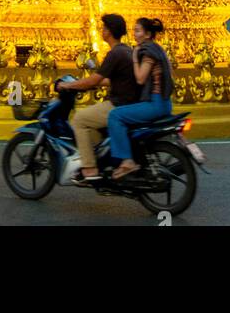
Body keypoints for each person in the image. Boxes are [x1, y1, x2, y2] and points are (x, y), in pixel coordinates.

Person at [58, 13, 140, 184]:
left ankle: (89, 169)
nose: (102, 31)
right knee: (90, 126)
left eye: (104, 28)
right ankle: (102, 159)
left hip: (119, 104)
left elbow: (94, 79)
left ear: (108, 32)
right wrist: (91, 83)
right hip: (129, 102)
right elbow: (111, 80)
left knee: (79, 119)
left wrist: (70, 85)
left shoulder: (115, 53)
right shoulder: (126, 50)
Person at [107, 17, 174, 181]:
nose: (134, 35)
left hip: (155, 104)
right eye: (134, 31)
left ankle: (126, 161)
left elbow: (140, 79)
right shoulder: (159, 49)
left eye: (138, 31)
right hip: (165, 103)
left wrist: (136, 56)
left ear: (148, 34)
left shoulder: (148, 52)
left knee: (115, 115)